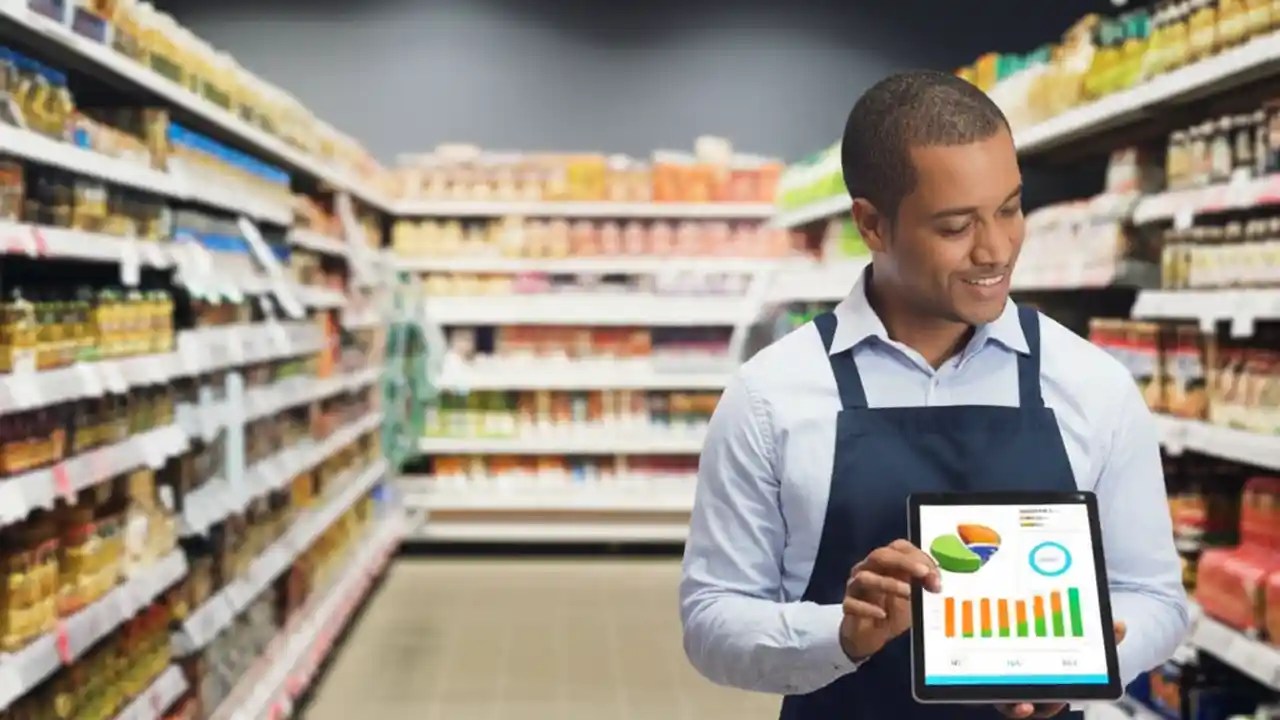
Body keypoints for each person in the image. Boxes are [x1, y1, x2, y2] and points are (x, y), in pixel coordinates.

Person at [679, 70, 1189, 720]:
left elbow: (1157, 599)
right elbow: (711, 617)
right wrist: (838, 634)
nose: (996, 249)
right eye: (955, 227)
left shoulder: (1092, 384)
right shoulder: (771, 397)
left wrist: (1088, 662)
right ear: (872, 224)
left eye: (1009, 208)